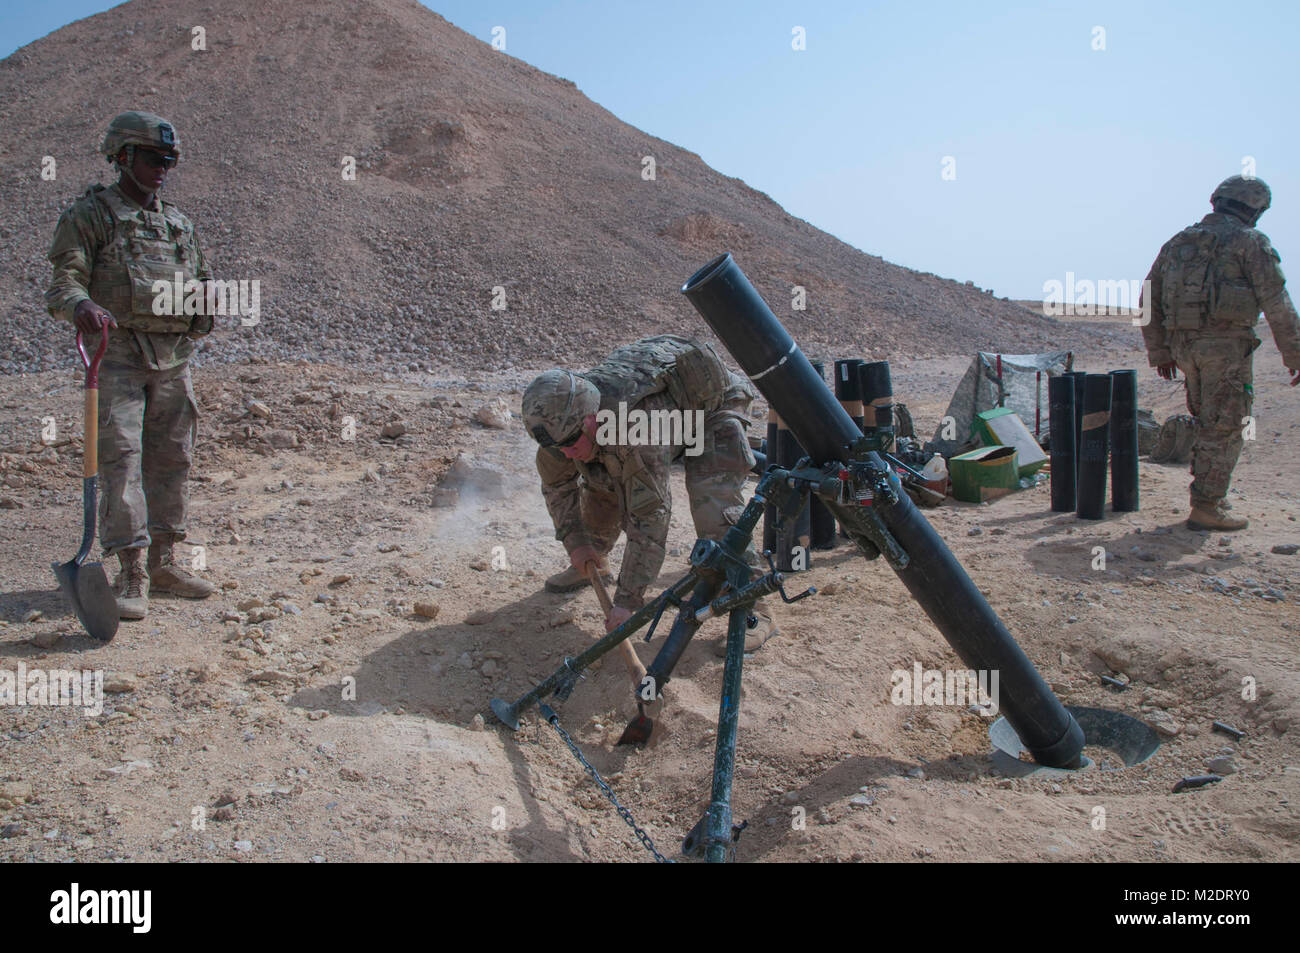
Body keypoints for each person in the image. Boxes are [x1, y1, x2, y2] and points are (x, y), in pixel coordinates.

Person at [45, 111, 217, 619]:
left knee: (172, 461)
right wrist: (81, 307)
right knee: (121, 464)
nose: (162, 167)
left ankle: (164, 561)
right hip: (116, 360)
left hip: (173, 361)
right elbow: (64, 280)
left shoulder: (179, 224)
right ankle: (131, 572)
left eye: (169, 160)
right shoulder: (92, 215)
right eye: (151, 158)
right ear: (122, 157)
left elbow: (202, 277)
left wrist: (207, 300)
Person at [522, 335, 777, 654]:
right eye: (560, 447)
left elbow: (650, 518)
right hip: (651, 421)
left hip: (711, 410)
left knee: (711, 501)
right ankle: (593, 561)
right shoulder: (561, 429)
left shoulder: (637, 430)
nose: (567, 453)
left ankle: (754, 608)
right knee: (601, 475)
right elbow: (557, 486)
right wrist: (578, 544)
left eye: (572, 443)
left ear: (592, 418)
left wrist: (628, 601)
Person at [1141, 175, 1300, 531]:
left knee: (1206, 420)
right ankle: (1207, 506)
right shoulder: (1250, 242)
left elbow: (1148, 299)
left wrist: (1161, 351)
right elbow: (1276, 302)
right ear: (1254, 209)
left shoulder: (1179, 242)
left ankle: (1208, 498)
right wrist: (1296, 355)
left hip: (1185, 349)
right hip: (1224, 349)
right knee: (1227, 425)